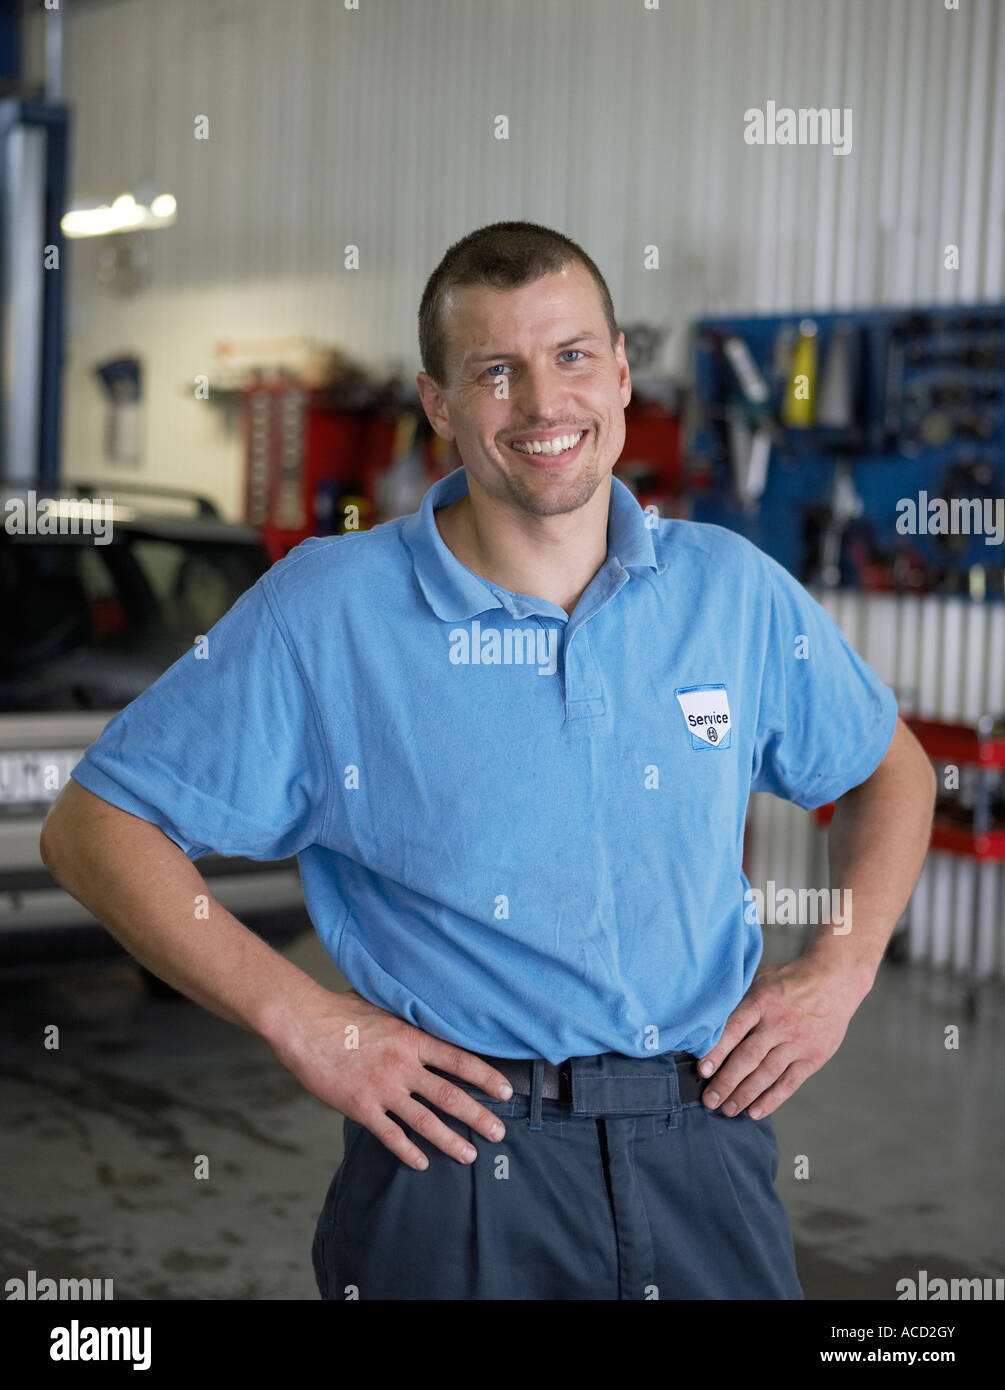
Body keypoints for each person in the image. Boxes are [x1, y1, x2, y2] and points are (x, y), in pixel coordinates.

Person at [40, 221, 936, 1301]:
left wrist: (839, 971)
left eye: (569, 358)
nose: (544, 405)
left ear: (617, 372)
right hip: (458, 1168)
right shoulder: (330, 611)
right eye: (496, 371)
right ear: (438, 403)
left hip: (705, 1144)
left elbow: (895, 769)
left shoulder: (730, 591)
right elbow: (95, 824)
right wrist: (301, 1017)